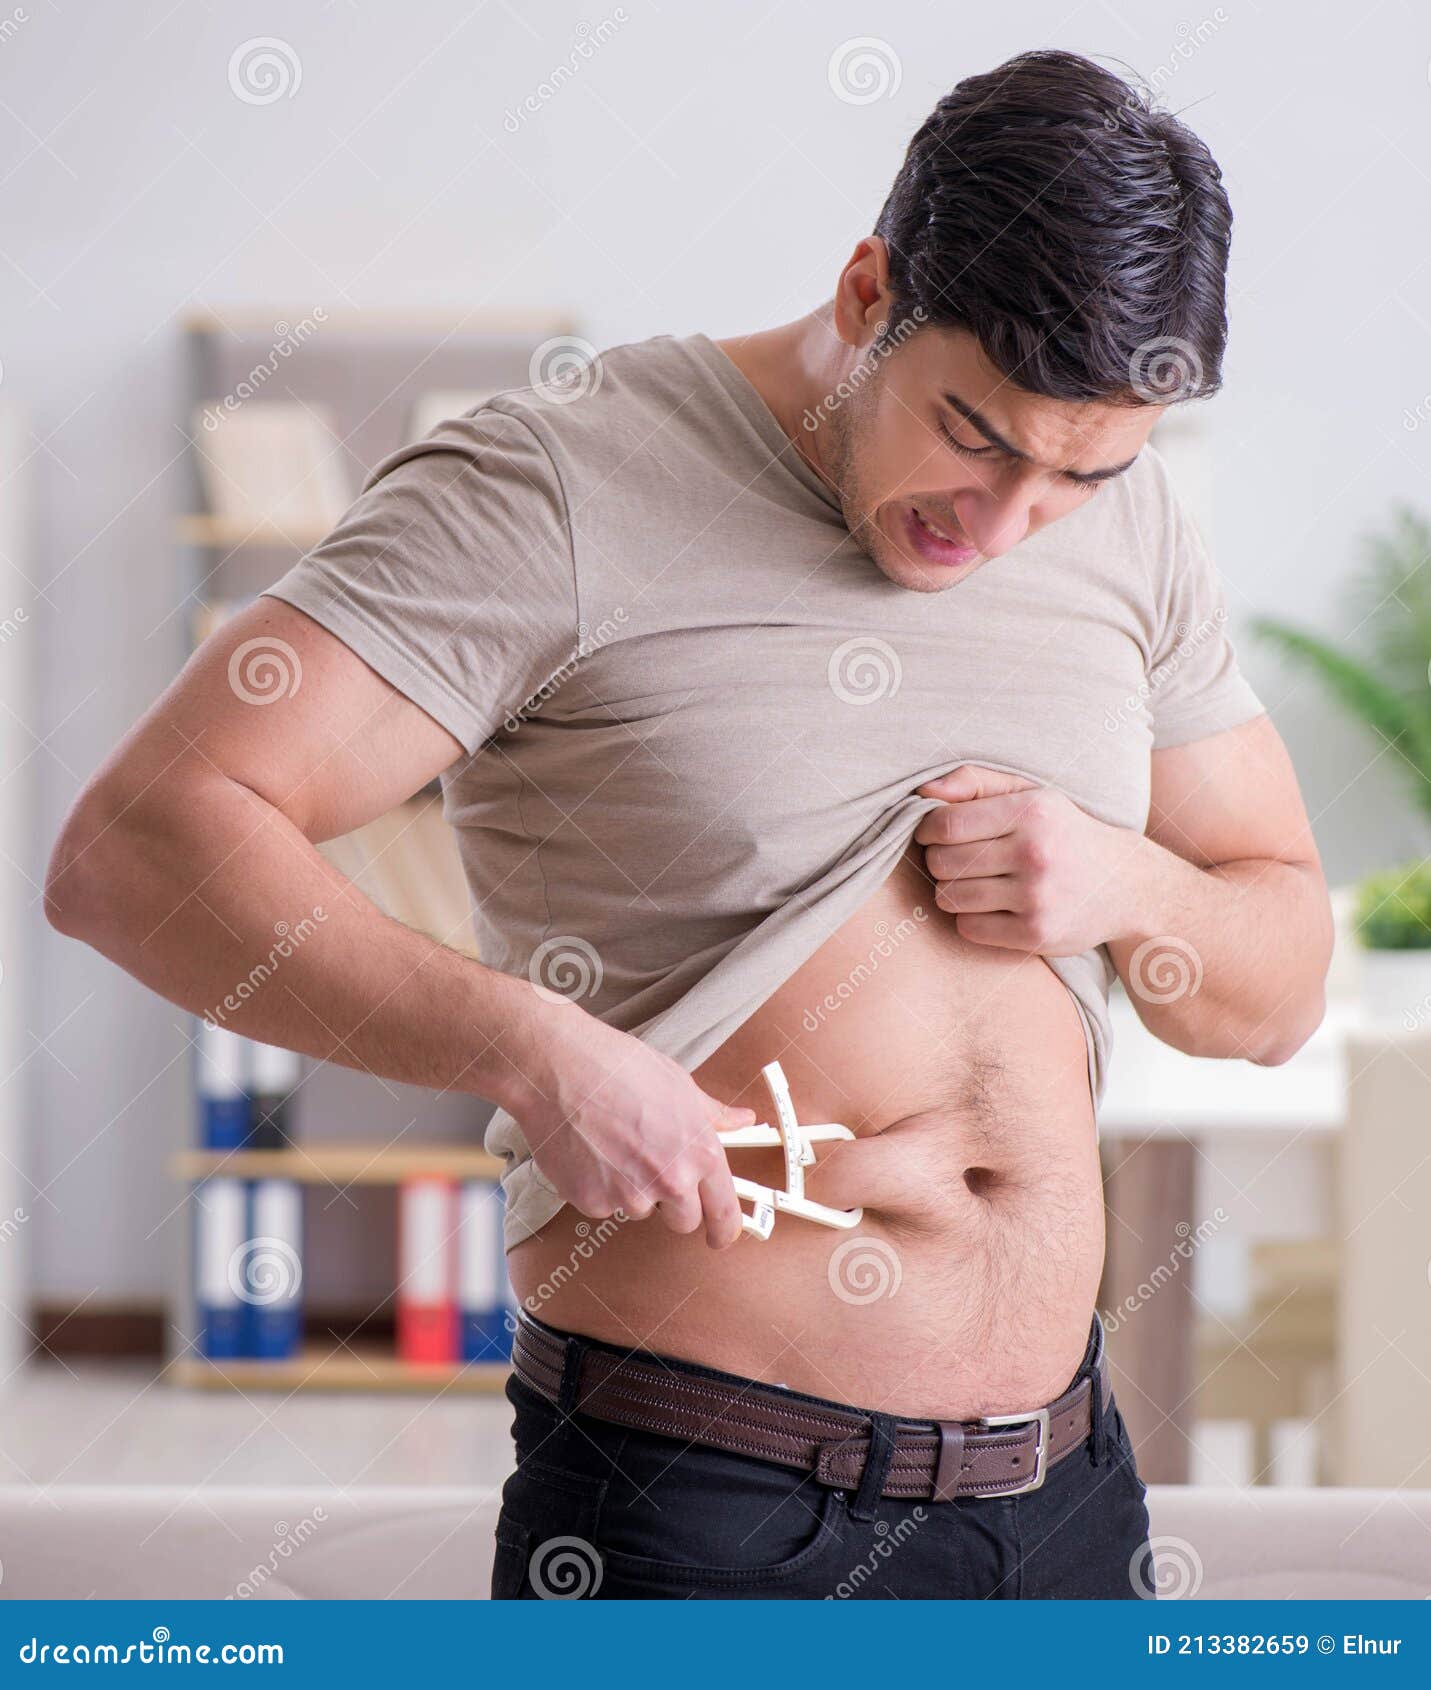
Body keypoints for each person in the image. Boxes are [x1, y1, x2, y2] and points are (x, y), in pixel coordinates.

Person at [46, 49, 1332, 1599]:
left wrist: (1125, 882)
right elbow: (136, 846)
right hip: (705, 1504)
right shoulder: (559, 480)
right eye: (975, 436)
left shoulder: (1124, 529)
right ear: (868, 293)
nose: (1004, 528)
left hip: (1060, 1496)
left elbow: (1279, 982)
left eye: (1079, 475)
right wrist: (531, 1046)